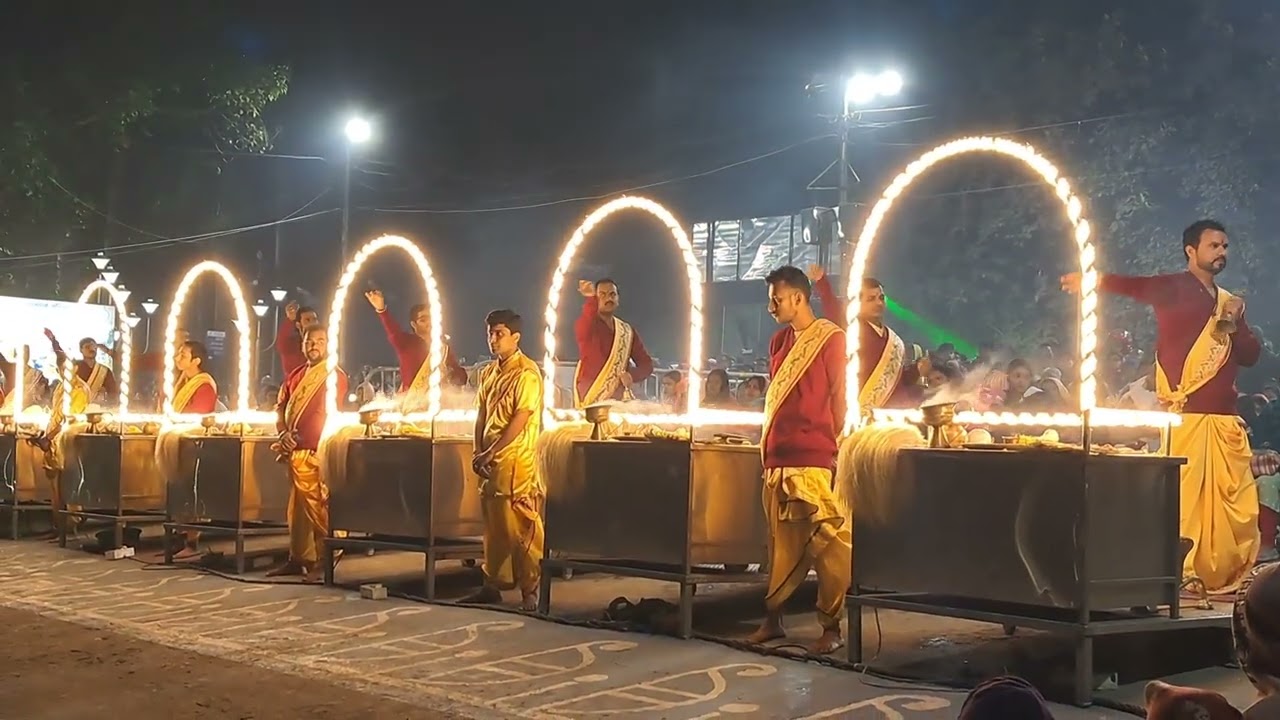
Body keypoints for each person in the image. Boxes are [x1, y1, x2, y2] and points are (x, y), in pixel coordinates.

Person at [1062, 219, 1262, 593]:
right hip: (1186, 418)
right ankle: (1185, 575)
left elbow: (1250, 356)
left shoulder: (1229, 304)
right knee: (1184, 501)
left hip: (1223, 422)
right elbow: (1132, 286)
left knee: (1232, 504)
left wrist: (1235, 328)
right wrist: (1091, 281)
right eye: (1214, 246)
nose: (1221, 252)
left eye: (1224, 247)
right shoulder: (1172, 287)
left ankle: (1224, 575)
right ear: (1191, 250)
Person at [749, 265, 850, 655]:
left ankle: (831, 626)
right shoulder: (778, 342)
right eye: (770, 299)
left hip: (813, 457)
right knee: (777, 546)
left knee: (827, 542)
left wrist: (834, 446)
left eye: (777, 298)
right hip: (776, 457)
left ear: (798, 298)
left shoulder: (830, 339)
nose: (771, 306)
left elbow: (839, 398)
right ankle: (773, 620)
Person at [465, 309, 544, 610]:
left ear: (516, 337)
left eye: (499, 333)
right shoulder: (488, 372)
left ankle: (531, 589)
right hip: (489, 463)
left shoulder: (526, 373)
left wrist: (491, 451)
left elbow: (521, 419)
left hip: (515, 463)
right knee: (494, 528)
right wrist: (477, 451)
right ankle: (492, 583)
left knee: (522, 527)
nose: (493, 339)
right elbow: (481, 416)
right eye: (490, 333)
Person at [270, 325, 347, 582]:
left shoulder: (334, 376)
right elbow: (281, 407)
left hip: (314, 450)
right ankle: (299, 558)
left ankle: (328, 555)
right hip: (293, 449)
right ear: (302, 345)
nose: (314, 345)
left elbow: (322, 414)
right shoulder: (295, 375)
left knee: (317, 505)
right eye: (309, 341)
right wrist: (283, 433)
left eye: (320, 341)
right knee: (298, 510)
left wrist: (299, 438)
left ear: (328, 344)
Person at [807, 265, 924, 411]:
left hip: (897, 414)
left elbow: (896, 383)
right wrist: (822, 282)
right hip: (866, 416)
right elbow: (833, 308)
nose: (879, 303)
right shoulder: (852, 328)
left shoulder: (892, 339)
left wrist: (917, 369)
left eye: (881, 298)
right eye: (871, 299)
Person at [364, 290, 467, 410]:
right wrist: (382, 310)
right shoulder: (406, 342)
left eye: (431, 318)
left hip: (438, 404)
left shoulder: (443, 348)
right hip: (412, 405)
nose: (429, 323)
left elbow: (459, 376)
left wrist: (451, 373)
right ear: (414, 324)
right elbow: (393, 332)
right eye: (423, 320)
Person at [573, 278, 654, 407]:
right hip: (591, 394)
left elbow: (647, 364)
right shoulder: (586, 325)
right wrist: (590, 298)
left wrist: (632, 376)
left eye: (612, 295)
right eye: (602, 295)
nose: (608, 299)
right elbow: (587, 318)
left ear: (617, 299)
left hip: (618, 401)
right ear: (596, 299)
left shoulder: (626, 331)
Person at [46, 329, 117, 408]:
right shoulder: (75, 366)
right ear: (81, 350)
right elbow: (61, 357)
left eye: (94, 347)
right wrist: (53, 341)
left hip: (98, 409)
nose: (91, 349)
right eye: (87, 347)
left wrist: (107, 403)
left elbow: (113, 393)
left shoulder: (104, 371)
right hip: (76, 408)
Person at [171, 341, 218, 414]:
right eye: (178, 354)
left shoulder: (205, 387)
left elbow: (196, 416)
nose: (177, 358)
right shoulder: (180, 381)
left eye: (183, 356)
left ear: (196, 361)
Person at [277, 301, 318, 377]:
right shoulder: (291, 345)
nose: (312, 323)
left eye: (314, 319)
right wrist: (290, 320)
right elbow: (282, 341)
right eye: (307, 320)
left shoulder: (323, 344)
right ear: (298, 325)